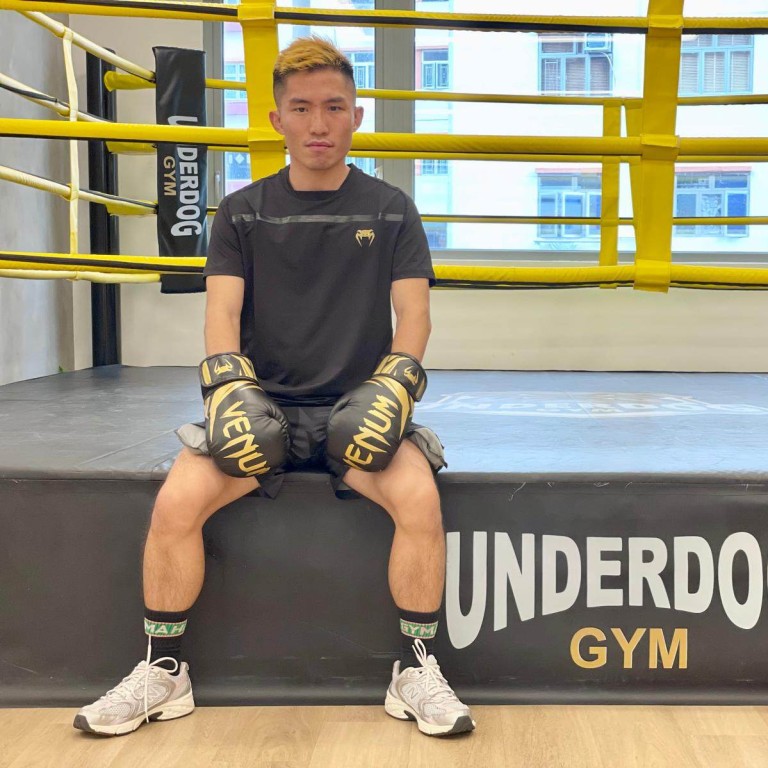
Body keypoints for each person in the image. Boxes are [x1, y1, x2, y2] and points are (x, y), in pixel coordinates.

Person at [74, 36, 474, 739]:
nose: (319, 123)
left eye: (333, 108)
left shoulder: (390, 208)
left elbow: (414, 314)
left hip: (361, 410)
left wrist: (396, 390)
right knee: (176, 500)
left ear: (357, 115)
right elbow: (221, 312)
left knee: (419, 498)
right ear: (277, 118)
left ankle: (414, 669)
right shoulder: (243, 211)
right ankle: (163, 672)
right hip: (264, 410)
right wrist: (227, 391)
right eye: (302, 108)